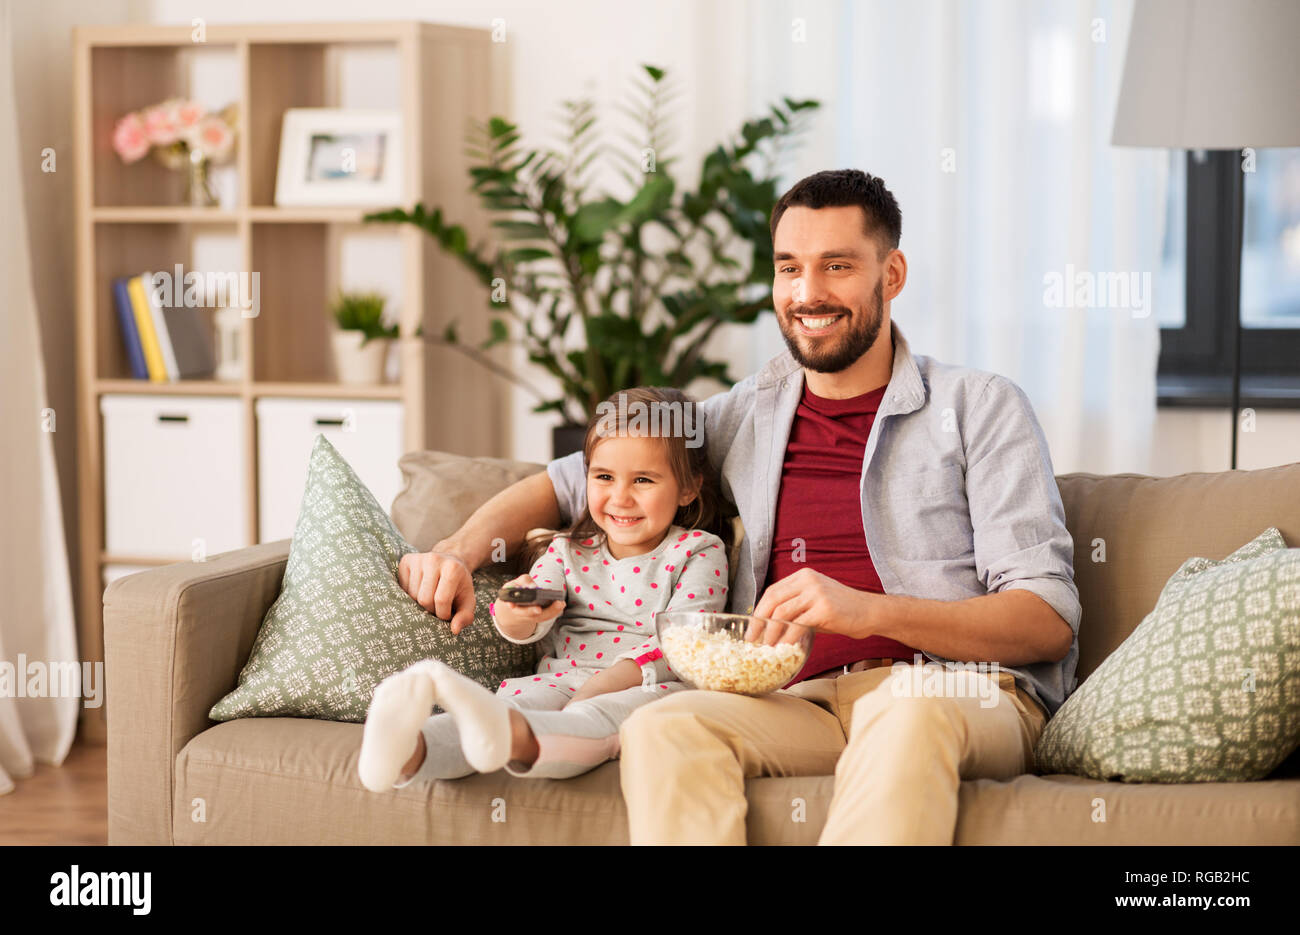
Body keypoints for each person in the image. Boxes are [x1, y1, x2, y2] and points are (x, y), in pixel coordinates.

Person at [395, 169, 1082, 845]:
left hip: (956, 693)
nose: (808, 293)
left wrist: (868, 610)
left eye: (837, 266)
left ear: (891, 274)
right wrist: (457, 551)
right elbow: (578, 481)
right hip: (796, 696)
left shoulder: (979, 407)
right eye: (790, 268)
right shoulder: (751, 412)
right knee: (663, 725)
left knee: (904, 711)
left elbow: (1046, 620)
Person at [358, 386, 729, 791]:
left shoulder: (699, 551)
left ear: (689, 488)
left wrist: (598, 688)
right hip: (560, 679)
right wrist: (514, 614)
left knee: (591, 723)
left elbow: (686, 645)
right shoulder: (566, 549)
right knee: (506, 707)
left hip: (647, 688)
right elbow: (528, 625)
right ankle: (408, 752)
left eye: (643, 479)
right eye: (604, 477)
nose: (620, 497)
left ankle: (508, 736)